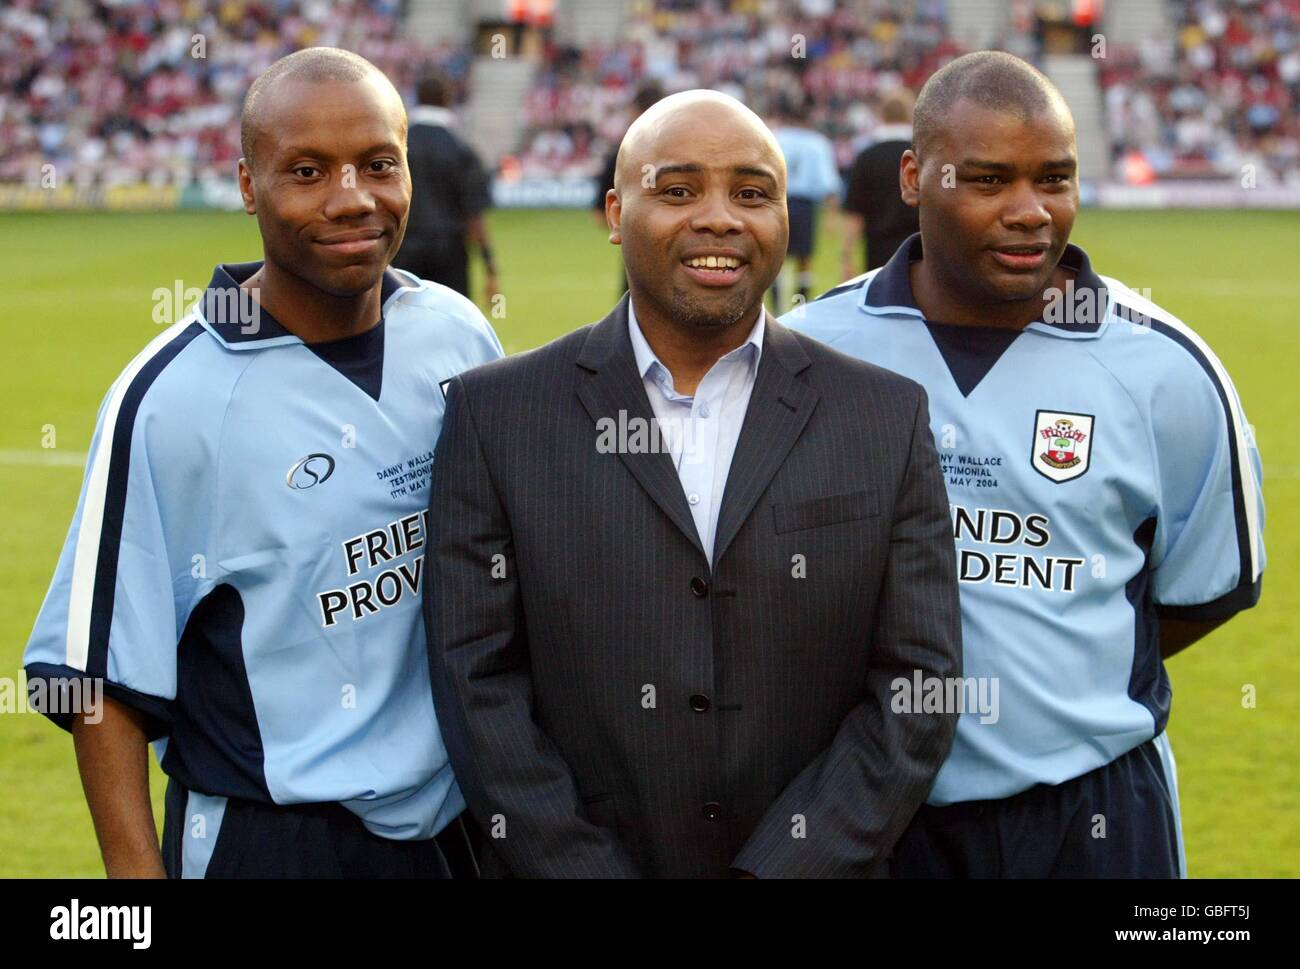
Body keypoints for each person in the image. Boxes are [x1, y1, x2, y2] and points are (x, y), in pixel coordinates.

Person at [423, 90, 961, 878]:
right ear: (615, 210)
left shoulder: (884, 415)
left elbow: (920, 684)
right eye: (677, 191)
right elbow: (476, 683)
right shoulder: (495, 413)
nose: (719, 219)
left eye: (752, 193)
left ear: (786, 213)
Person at [23, 48, 503, 878]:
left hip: (457, 826)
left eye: (377, 164)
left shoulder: (455, 334)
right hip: (274, 838)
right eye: (308, 171)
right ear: (249, 186)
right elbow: (95, 680)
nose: (351, 198)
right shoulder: (170, 397)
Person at [786, 51, 1265, 878]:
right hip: (872, 809)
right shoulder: (812, 350)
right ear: (913, 177)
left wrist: (1060, 674)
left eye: (1055, 179)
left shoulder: (1166, 370)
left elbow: (1198, 596)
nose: (1030, 212)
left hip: (1093, 814)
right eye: (987, 180)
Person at [393, 71, 498, 301]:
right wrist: (490, 268)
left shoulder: (396, 149)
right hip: (450, 252)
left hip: (402, 249)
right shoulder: (462, 150)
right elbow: (474, 215)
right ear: (448, 99)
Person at [592, 80, 665, 296]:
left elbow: (597, 215)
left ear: (635, 110)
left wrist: (635, 232)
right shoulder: (688, 154)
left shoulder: (621, 154)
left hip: (636, 260)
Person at [770, 93, 841, 310]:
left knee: (776, 258)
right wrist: (831, 216)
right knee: (804, 259)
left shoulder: (775, 137)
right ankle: (799, 307)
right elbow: (828, 183)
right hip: (805, 206)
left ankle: (776, 310)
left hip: (777, 202)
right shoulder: (817, 143)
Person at [841, 88, 920, 274]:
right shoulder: (922, 155)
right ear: (911, 115)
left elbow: (855, 214)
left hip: (877, 250)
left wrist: (846, 257)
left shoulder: (867, 156)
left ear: (881, 115)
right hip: (918, 248)